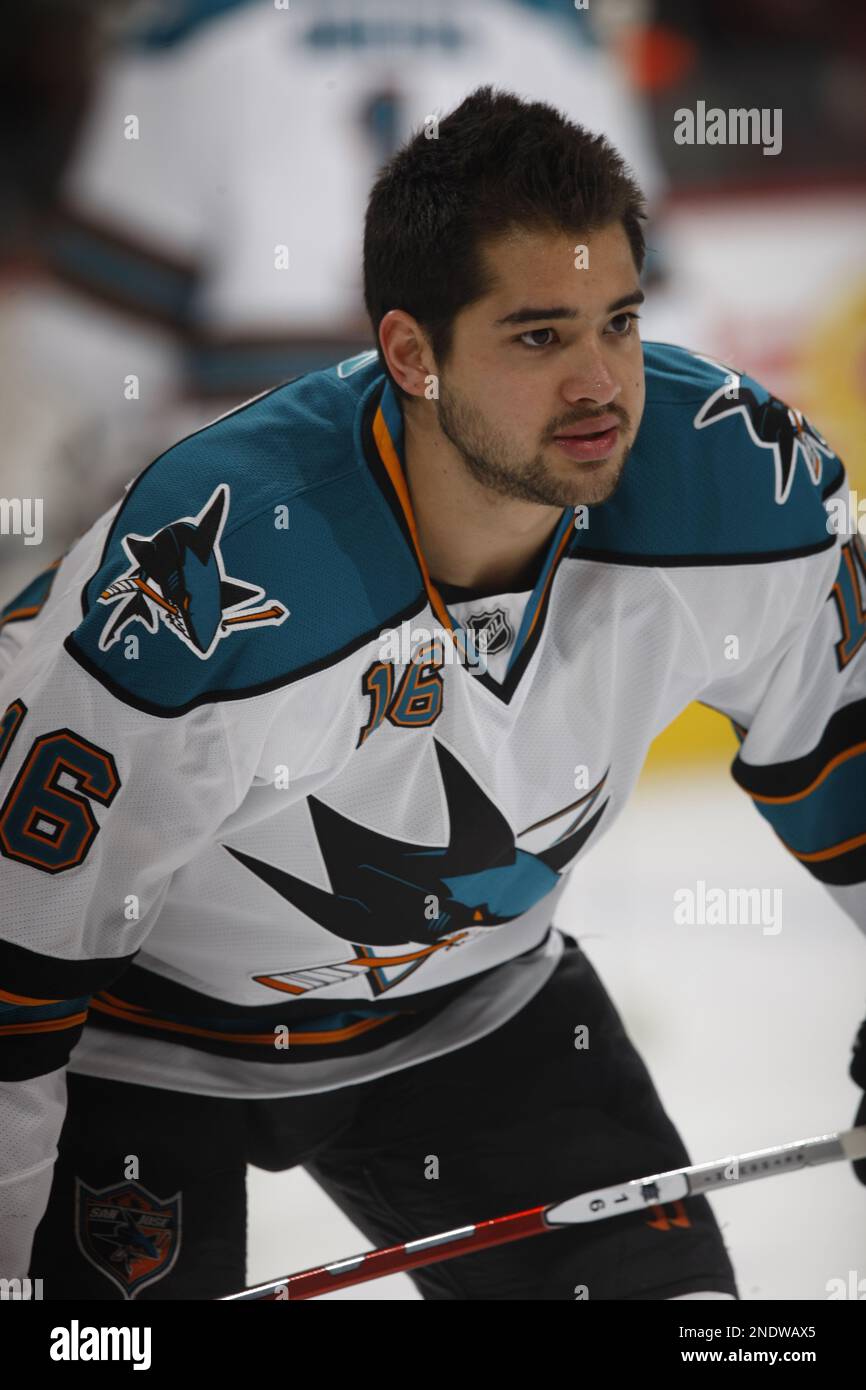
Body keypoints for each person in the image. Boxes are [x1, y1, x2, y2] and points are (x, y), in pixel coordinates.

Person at [0, 86, 862, 1302]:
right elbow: (15, 961)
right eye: (535, 335)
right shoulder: (218, 576)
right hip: (135, 1047)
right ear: (410, 351)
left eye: (617, 321)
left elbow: (851, 744)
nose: (600, 384)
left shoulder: (736, 484)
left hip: (483, 1010)